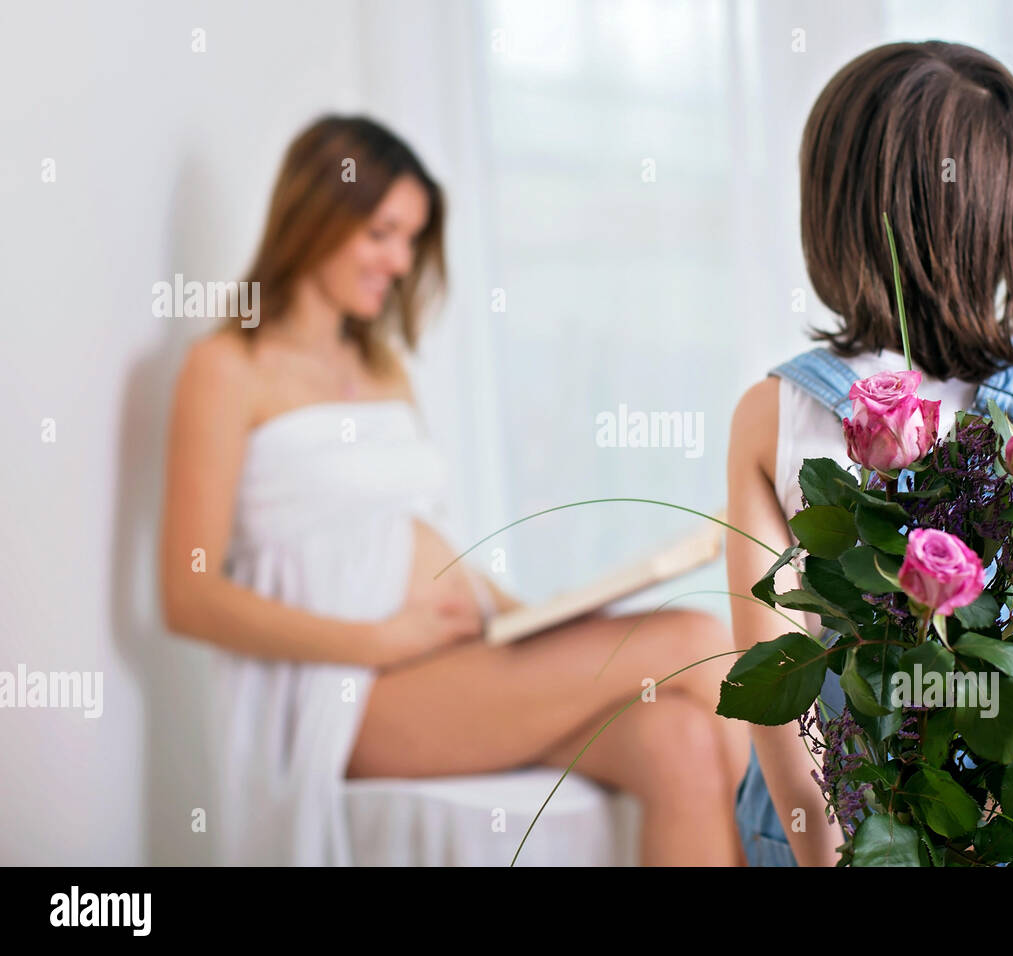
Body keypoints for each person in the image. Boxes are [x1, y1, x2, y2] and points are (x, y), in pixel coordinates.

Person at [159, 115, 750, 866]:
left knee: (679, 740)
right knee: (693, 642)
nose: (400, 261)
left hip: (451, 661)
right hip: (345, 693)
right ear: (314, 216)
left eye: (411, 239)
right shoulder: (228, 368)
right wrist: (377, 640)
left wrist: (531, 618)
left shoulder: (382, 370)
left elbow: (410, 535)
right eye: (383, 233)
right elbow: (189, 595)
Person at [724, 42, 1013, 866]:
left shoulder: (772, 414)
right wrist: (987, 815)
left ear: (832, 211)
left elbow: (774, 678)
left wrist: (834, 849)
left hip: (832, 825)